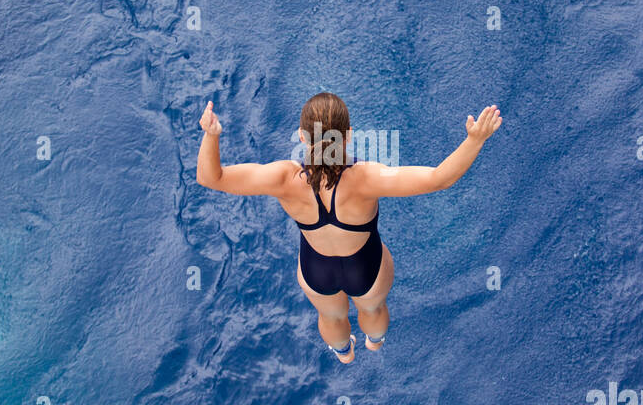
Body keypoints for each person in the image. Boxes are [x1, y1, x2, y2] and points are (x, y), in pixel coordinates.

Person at [197, 91, 502, 363]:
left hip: (316, 270)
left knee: (330, 315)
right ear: (348, 136)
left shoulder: (283, 178)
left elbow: (212, 178)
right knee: (372, 309)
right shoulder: (366, 179)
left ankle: (344, 352)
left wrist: (211, 136)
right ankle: (374, 342)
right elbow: (439, 179)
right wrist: (474, 140)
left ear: (303, 137)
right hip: (365, 268)